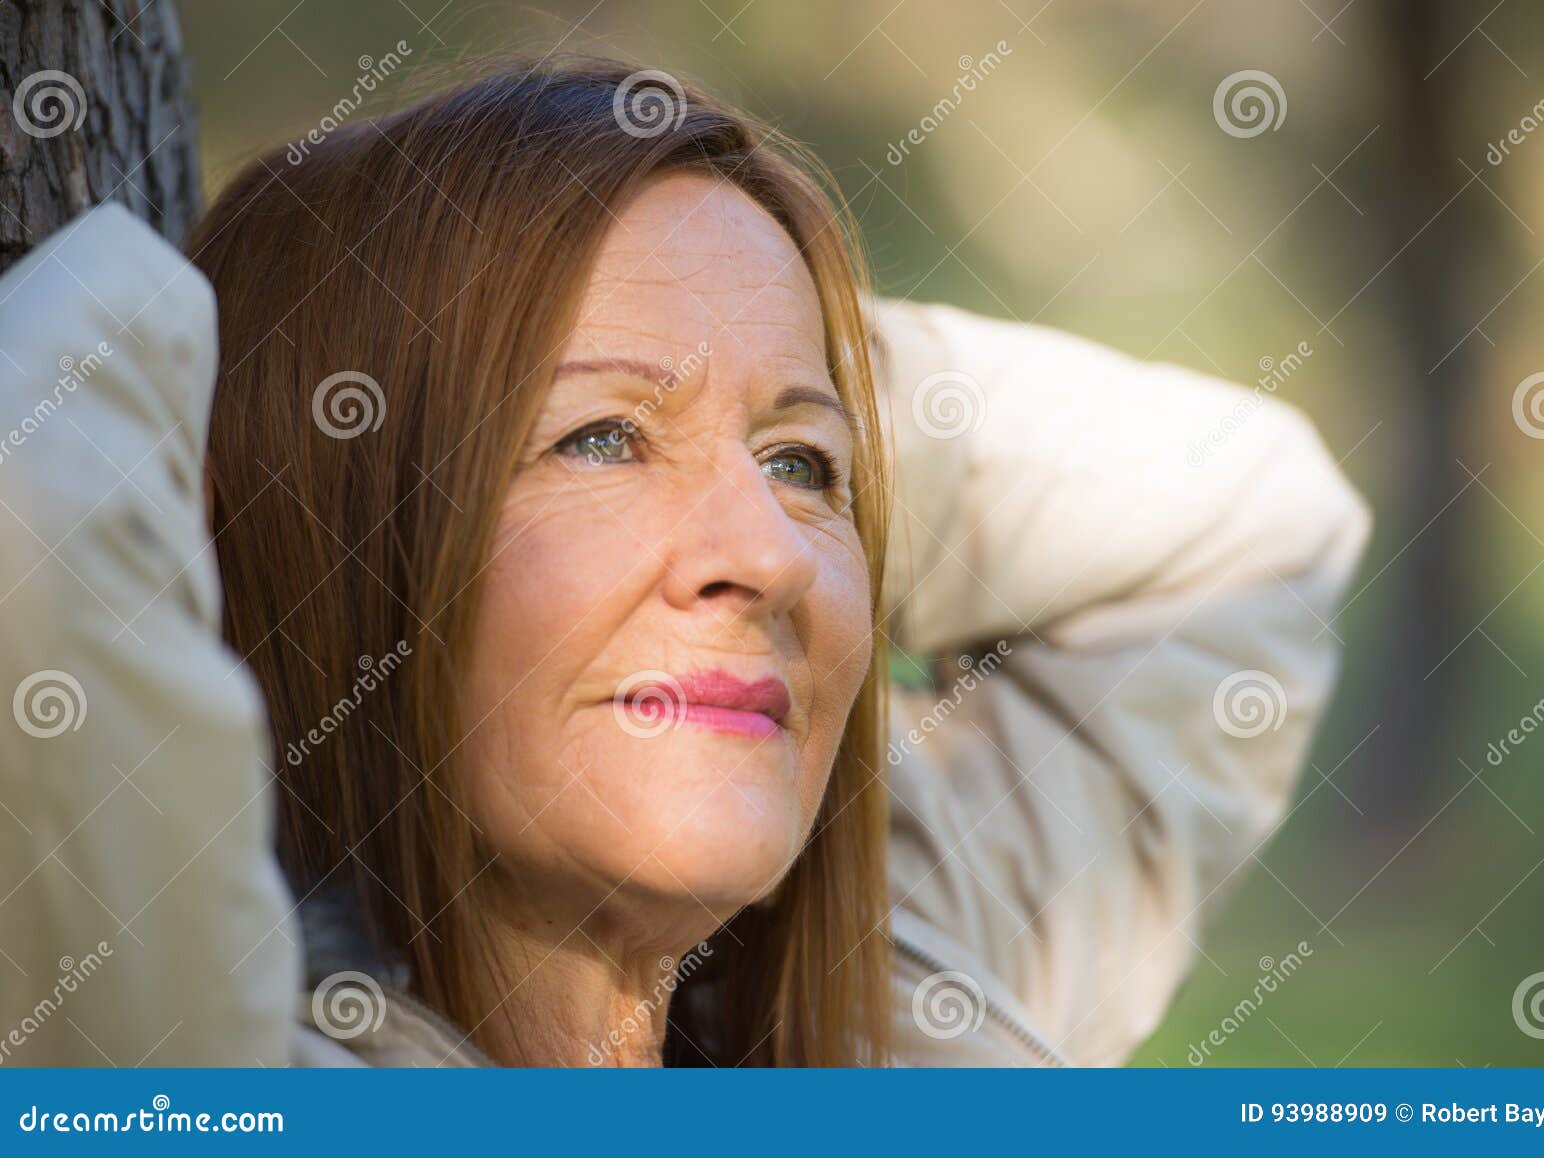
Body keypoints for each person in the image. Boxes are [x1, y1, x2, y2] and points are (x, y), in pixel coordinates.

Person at [0, 59, 1368, 1067]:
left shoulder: (898, 1016)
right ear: (338, 525)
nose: (769, 556)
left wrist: (765, 364)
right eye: (597, 438)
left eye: (804, 473)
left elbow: (1246, 512)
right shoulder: (193, 1047)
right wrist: (243, 361)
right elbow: (32, 512)